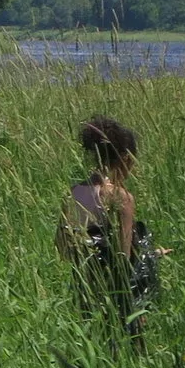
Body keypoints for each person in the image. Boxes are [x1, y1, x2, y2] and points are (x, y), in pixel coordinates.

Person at [56, 114, 152, 348]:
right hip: (115, 290)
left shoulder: (74, 192)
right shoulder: (120, 197)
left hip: (84, 282)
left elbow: (60, 244)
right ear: (126, 158)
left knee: (91, 340)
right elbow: (123, 255)